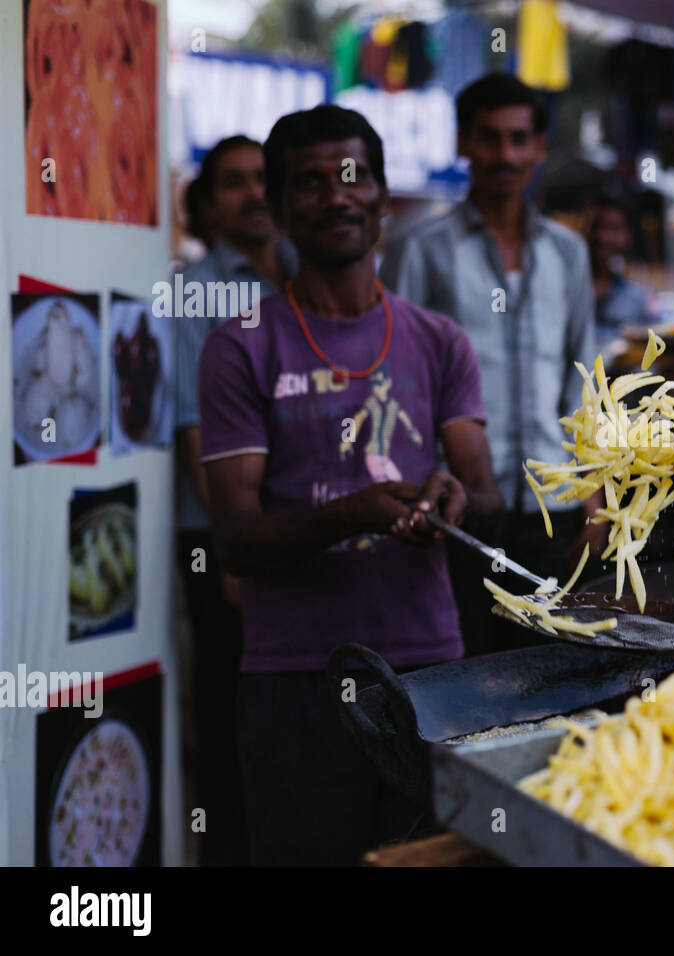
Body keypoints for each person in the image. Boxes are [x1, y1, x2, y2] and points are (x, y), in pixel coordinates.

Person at [198, 105, 502, 865]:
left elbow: (485, 492)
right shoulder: (239, 347)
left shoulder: (438, 340)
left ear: (381, 195)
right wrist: (351, 514)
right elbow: (235, 538)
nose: (336, 197)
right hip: (296, 680)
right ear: (277, 206)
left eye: (351, 176)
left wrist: (453, 500)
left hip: (430, 677)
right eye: (309, 183)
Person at [380, 72, 602, 652]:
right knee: (461, 673)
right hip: (458, 512)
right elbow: (396, 386)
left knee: (552, 674)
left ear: (539, 147)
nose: (505, 155)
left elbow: (584, 378)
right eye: (489, 138)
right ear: (463, 144)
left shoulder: (568, 252)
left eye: (519, 139)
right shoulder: (420, 250)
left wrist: (597, 496)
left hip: (553, 507)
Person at [172, 134, 297, 867]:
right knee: (227, 721)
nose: (253, 193)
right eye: (234, 183)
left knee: (289, 717)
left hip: (296, 533)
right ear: (207, 203)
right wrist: (230, 545)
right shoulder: (197, 288)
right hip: (222, 541)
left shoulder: (297, 272)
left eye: (262, 179)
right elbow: (197, 431)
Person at [587, 194, 653, 334]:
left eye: (613, 228)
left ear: (628, 236)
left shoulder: (635, 298)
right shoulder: (563, 290)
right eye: (595, 226)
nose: (602, 236)